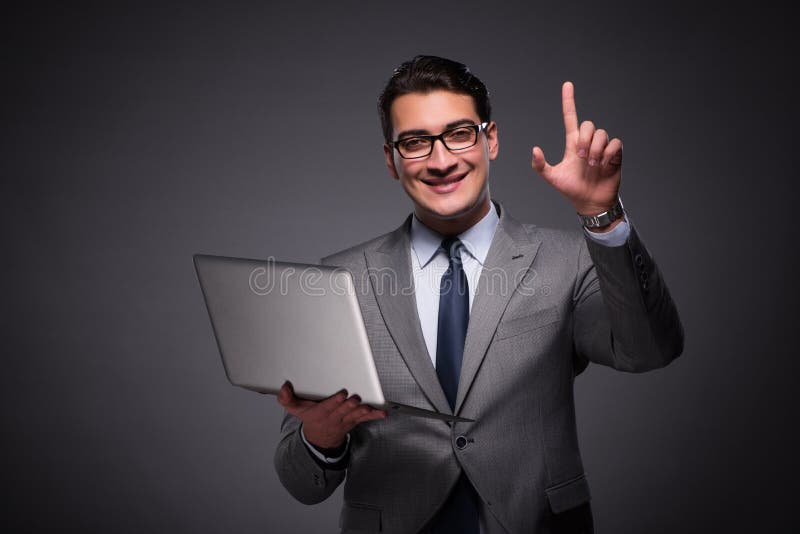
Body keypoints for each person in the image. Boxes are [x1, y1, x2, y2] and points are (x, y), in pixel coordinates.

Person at [273, 55, 683, 534]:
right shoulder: (338, 280)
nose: (441, 160)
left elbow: (651, 350)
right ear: (391, 159)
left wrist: (603, 216)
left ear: (490, 139)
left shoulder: (567, 260)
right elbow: (302, 485)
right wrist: (320, 437)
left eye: (459, 133)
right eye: (415, 142)